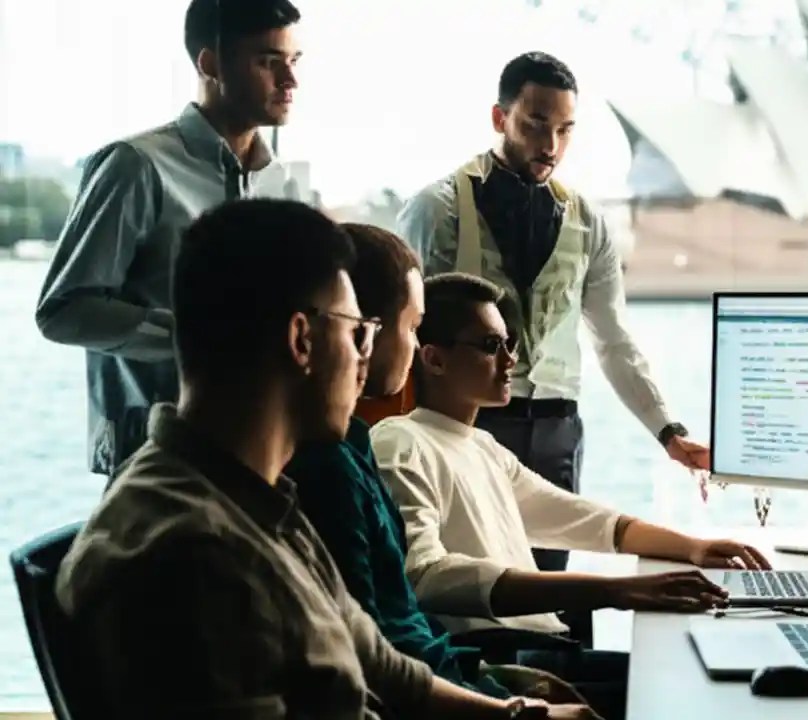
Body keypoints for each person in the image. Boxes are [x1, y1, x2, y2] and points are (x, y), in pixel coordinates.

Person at [56, 199, 597, 720]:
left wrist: (514, 713)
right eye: (358, 331)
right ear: (302, 338)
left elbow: (380, 663)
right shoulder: (196, 557)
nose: (366, 355)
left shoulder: (257, 498)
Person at [370, 272, 772, 713]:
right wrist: (614, 591)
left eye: (510, 344)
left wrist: (693, 548)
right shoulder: (400, 442)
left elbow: (586, 521)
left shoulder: (482, 447)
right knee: (705, 688)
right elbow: (426, 577)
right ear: (434, 359)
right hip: (498, 662)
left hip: (541, 646)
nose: (510, 360)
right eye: (491, 346)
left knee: (713, 674)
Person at [396, 51, 708, 579]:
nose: (551, 146)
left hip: (557, 428)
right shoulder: (437, 208)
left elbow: (613, 339)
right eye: (536, 124)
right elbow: (404, 326)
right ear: (500, 118)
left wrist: (667, 431)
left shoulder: (588, 221)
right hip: (467, 422)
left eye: (565, 130)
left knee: (552, 579)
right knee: (469, 577)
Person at [285, 223, 594, 710]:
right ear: (303, 337)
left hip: (452, 673)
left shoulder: (357, 448)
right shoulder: (339, 463)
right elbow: (375, 662)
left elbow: (393, 632)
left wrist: (493, 679)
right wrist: (508, 707)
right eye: (410, 327)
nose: (370, 347)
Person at [34, 0, 302, 477]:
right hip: (154, 459)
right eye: (269, 61)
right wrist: (196, 335)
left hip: (260, 454)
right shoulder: (135, 166)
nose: (291, 80)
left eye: (294, 61)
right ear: (210, 64)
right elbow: (62, 310)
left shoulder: (280, 182)